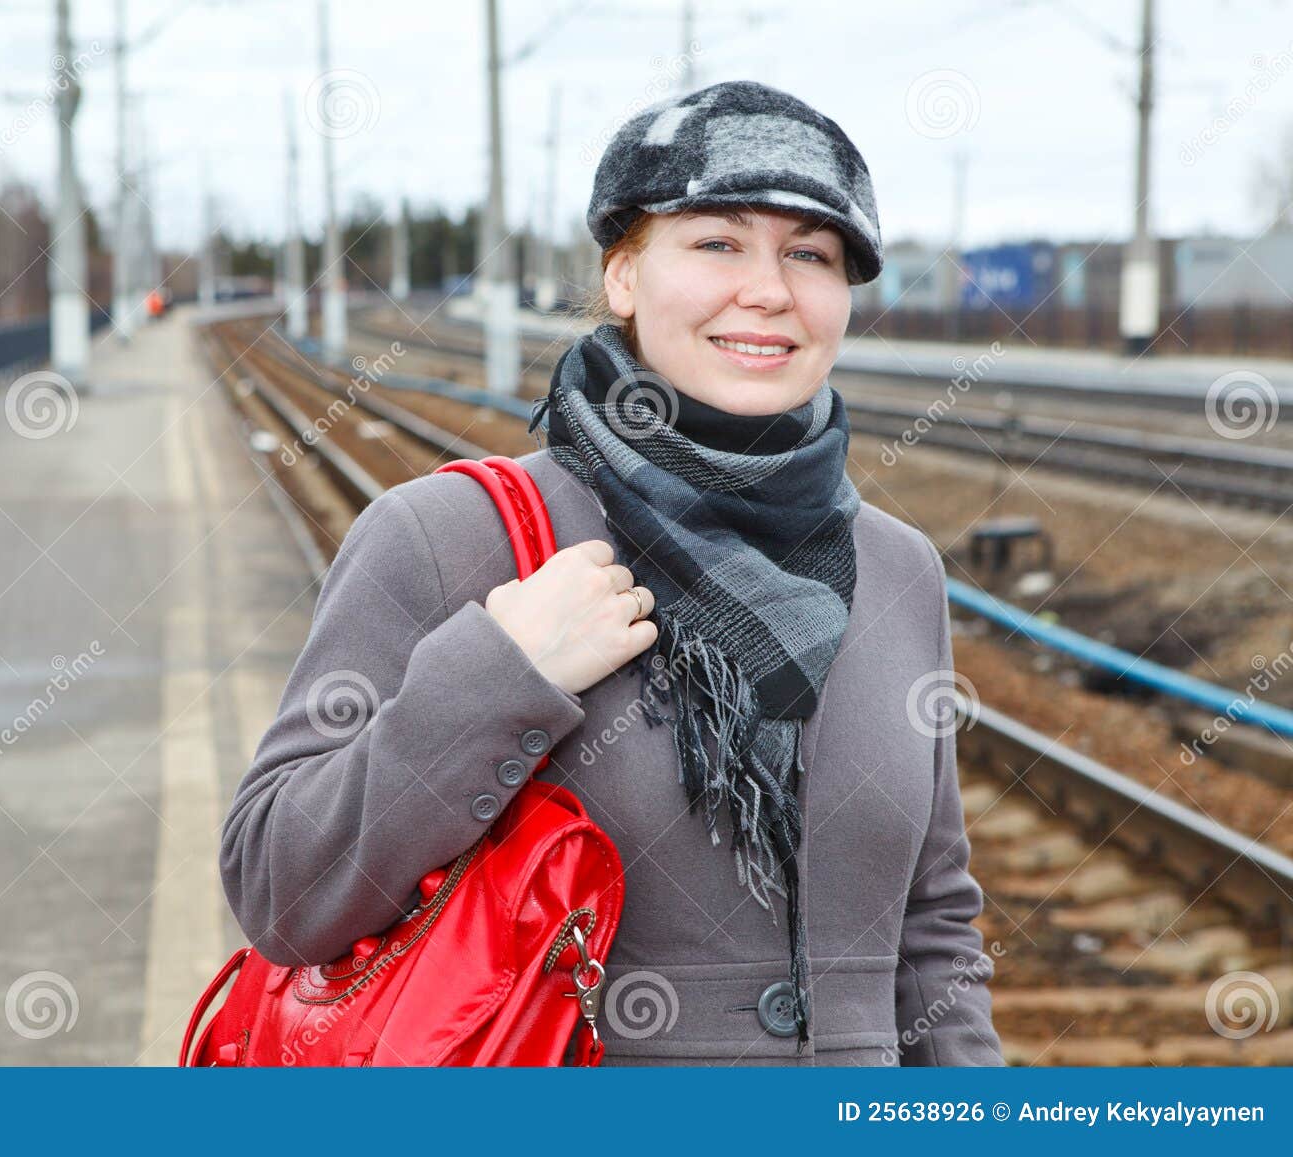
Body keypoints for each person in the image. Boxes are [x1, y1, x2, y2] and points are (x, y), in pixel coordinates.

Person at [219, 79, 1005, 1066]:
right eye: (717, 242)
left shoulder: (898, 570)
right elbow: (279, 891)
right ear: (624, 274)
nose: (766, 288)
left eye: (809, 254)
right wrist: (499, 672)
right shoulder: (446, 535)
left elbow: (931, 925)